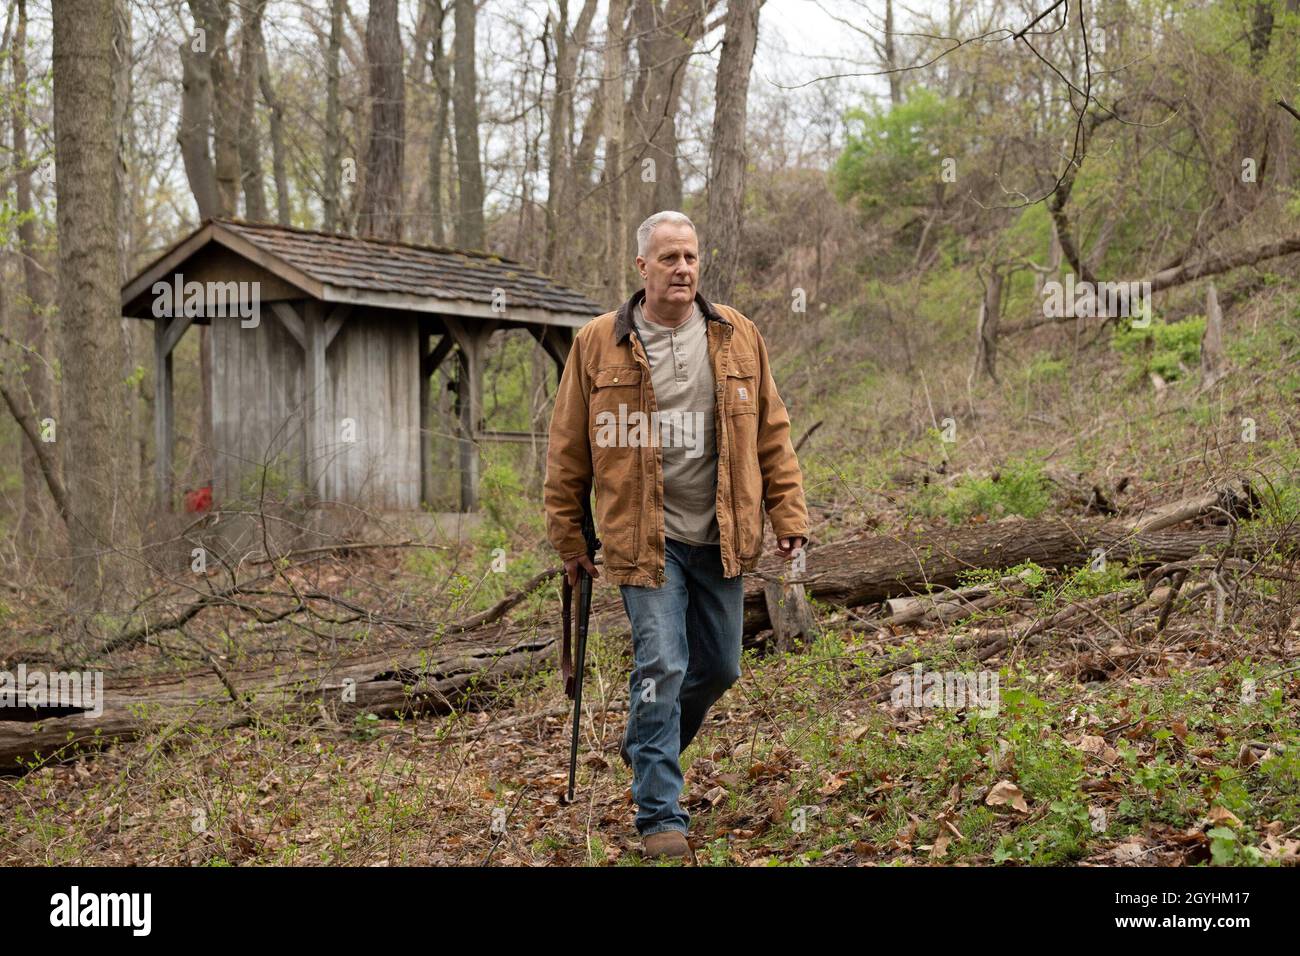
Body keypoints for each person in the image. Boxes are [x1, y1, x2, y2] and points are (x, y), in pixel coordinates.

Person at [544, 210, 809, 859]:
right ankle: (660, 813)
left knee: (718, 667)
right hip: (643, 537)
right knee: (662, 663)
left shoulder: (737, 335)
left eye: (690, 256)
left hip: (722, 534)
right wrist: (568, 537)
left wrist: (790, 515)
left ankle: (643, 745)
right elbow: (568, 449)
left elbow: (771, 432)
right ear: (642, 268)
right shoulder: (598, 343)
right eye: (669, 258)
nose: (683, 268)